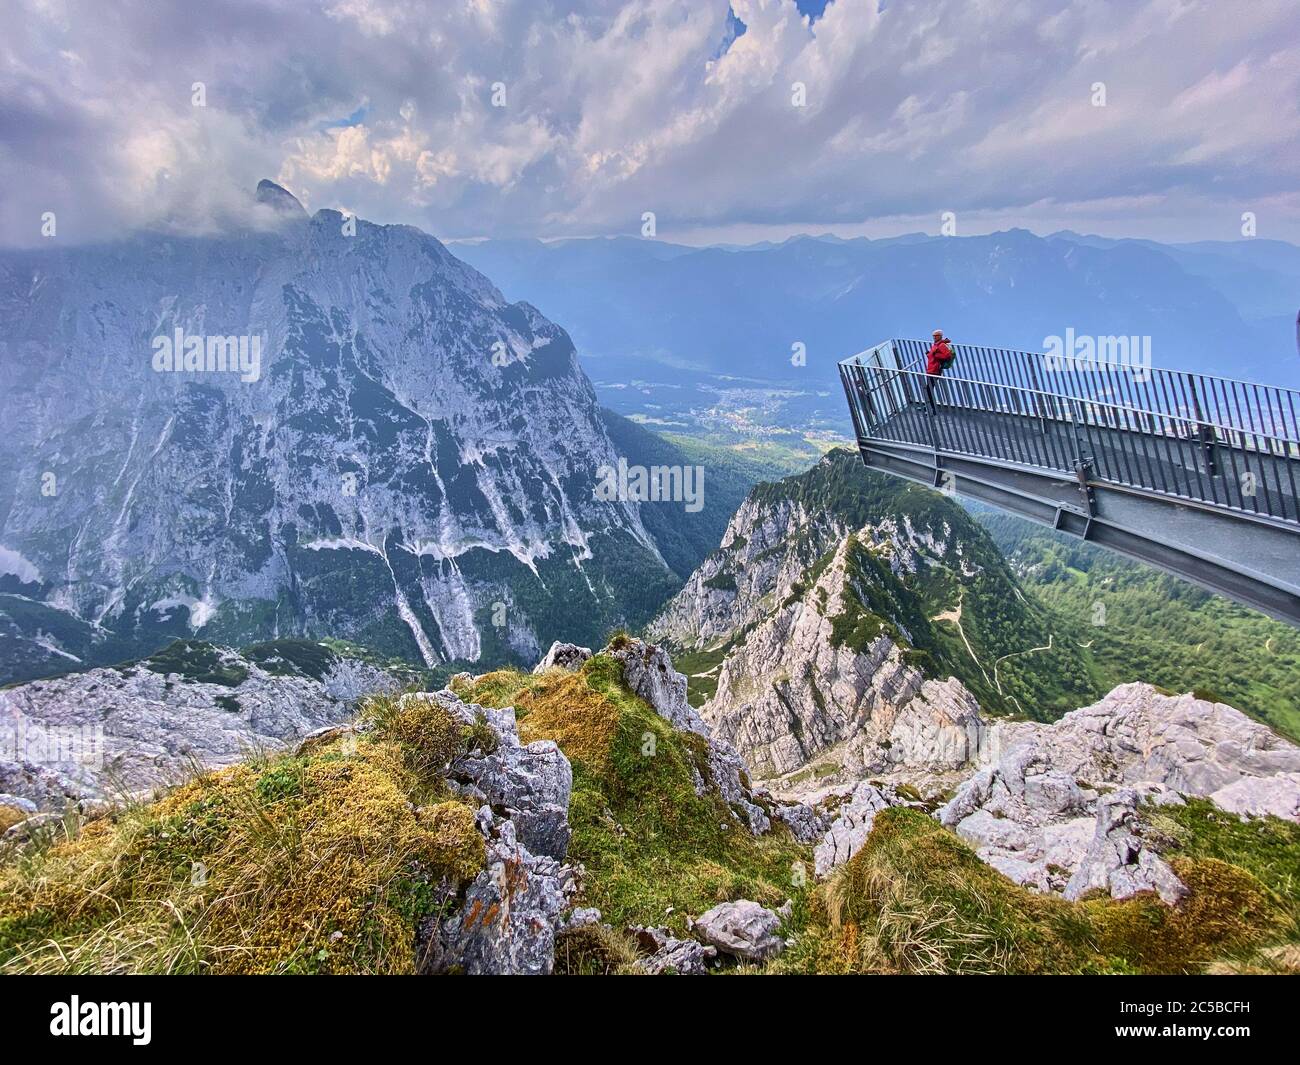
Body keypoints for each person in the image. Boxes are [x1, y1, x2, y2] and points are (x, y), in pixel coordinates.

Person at [923, 329, 954, 409]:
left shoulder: (941, 345)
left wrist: (935, 355)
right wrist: (929, 354)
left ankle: (932, 408)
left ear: (940, 336)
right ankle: (928, 406)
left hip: (935, 371)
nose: (934, 337)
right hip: (930, 369)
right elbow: (933, 356)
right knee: (928, 389)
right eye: (933, 336)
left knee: (929, 389)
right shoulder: (935, 345)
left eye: (936, 336)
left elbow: (948, 356)